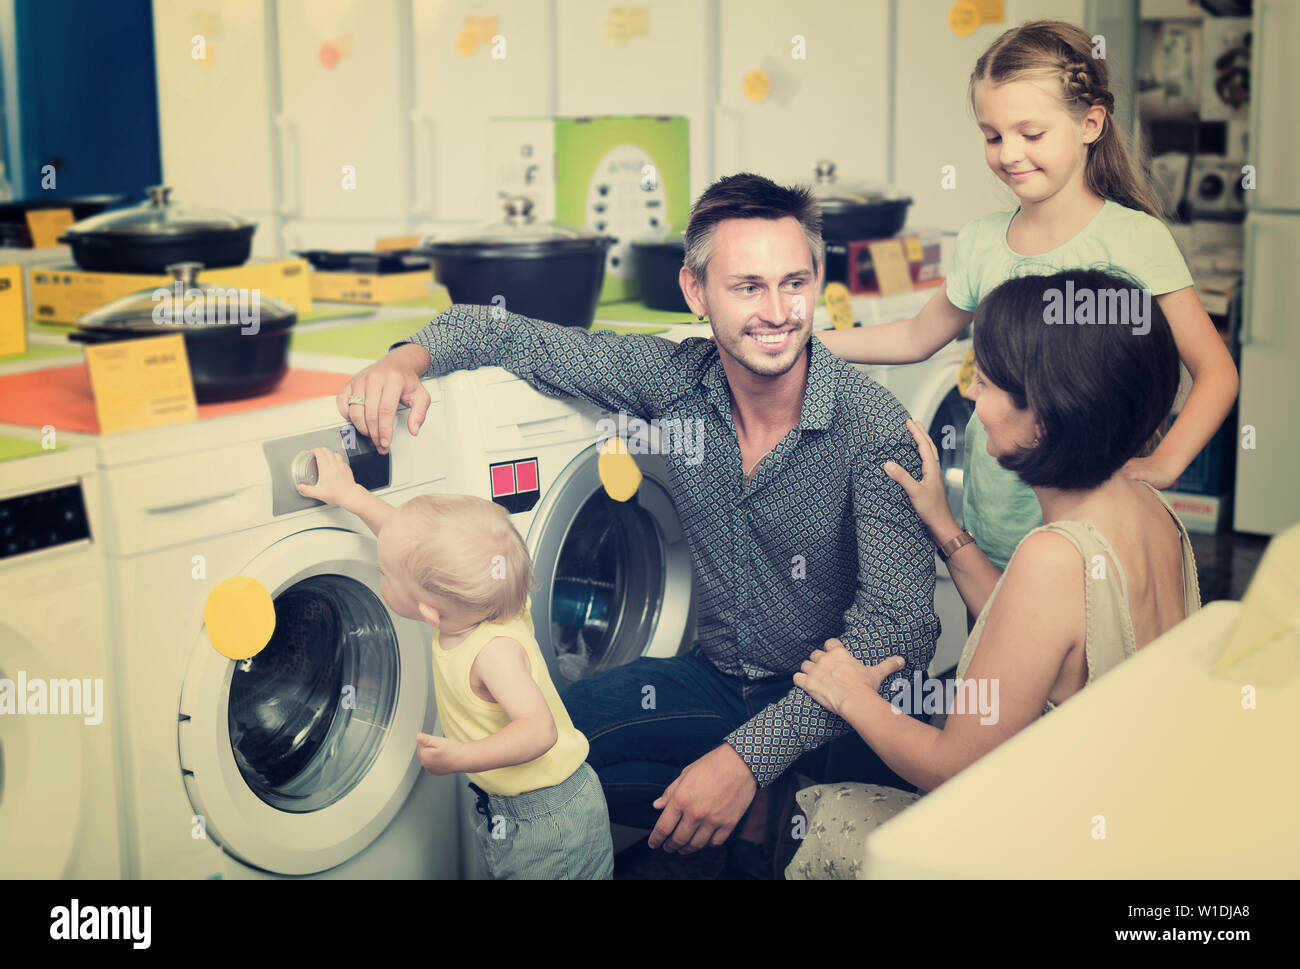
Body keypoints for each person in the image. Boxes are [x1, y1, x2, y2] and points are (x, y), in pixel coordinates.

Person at [333, 172, 940, 878]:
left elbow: (899, 627)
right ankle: (746, 821)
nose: (778, 311)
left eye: (794, 283)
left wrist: (747, 758)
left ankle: (762, 819)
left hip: (837, 709)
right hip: (716, 680)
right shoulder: (675, 379)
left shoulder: (871, 427)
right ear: (695, 292)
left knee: (785, 838)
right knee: (533, 745)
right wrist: (402, 361)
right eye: (747, 287)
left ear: (816, 279)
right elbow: (502, 333)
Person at [787, 269, 1202, 879]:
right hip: (1134, 826)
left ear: (1043, 418)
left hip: (1057, 851)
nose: (973, 400)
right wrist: (941, 522)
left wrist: (849, 694)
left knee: (833, 817)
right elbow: (1043, 636)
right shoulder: (1149, 507)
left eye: (984, 382)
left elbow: (952, 766)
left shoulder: (1051, 557)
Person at [818, 19, 1238, 573]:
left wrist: (1166, 461)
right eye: (993, 136)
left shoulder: (1136, 240)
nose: (1008, 154)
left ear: (1090, 124)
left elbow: (1216, 371)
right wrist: (810, 340)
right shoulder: (981, 240)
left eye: (1030, 134)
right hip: (994, 515)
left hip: (1094, 530)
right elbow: (917, 336)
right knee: (991, 651)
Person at [295, 448, 614, 879]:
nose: (380, 571)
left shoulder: (492, 652)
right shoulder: (489, 598)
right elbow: (405, 545)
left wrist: (462, 755)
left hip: (550, 821)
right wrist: (350, 495)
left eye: (385, 575)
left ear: (429, 611)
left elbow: (539, 730)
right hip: (508, 809)